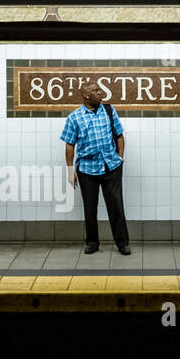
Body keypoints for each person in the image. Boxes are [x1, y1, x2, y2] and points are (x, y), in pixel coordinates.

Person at [60, 80, 129, 255]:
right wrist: (70, 171)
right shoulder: (74, 117)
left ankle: (122, 243)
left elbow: (119, 136)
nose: (100, 93)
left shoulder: (109, 110)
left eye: (100, 90)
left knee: (116, 206)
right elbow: (69, 145)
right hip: (86, 170)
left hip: (110, 167)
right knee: (89, 208)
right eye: (96, 90)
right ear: (86, 94)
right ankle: (92, 243)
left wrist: (119, 159)